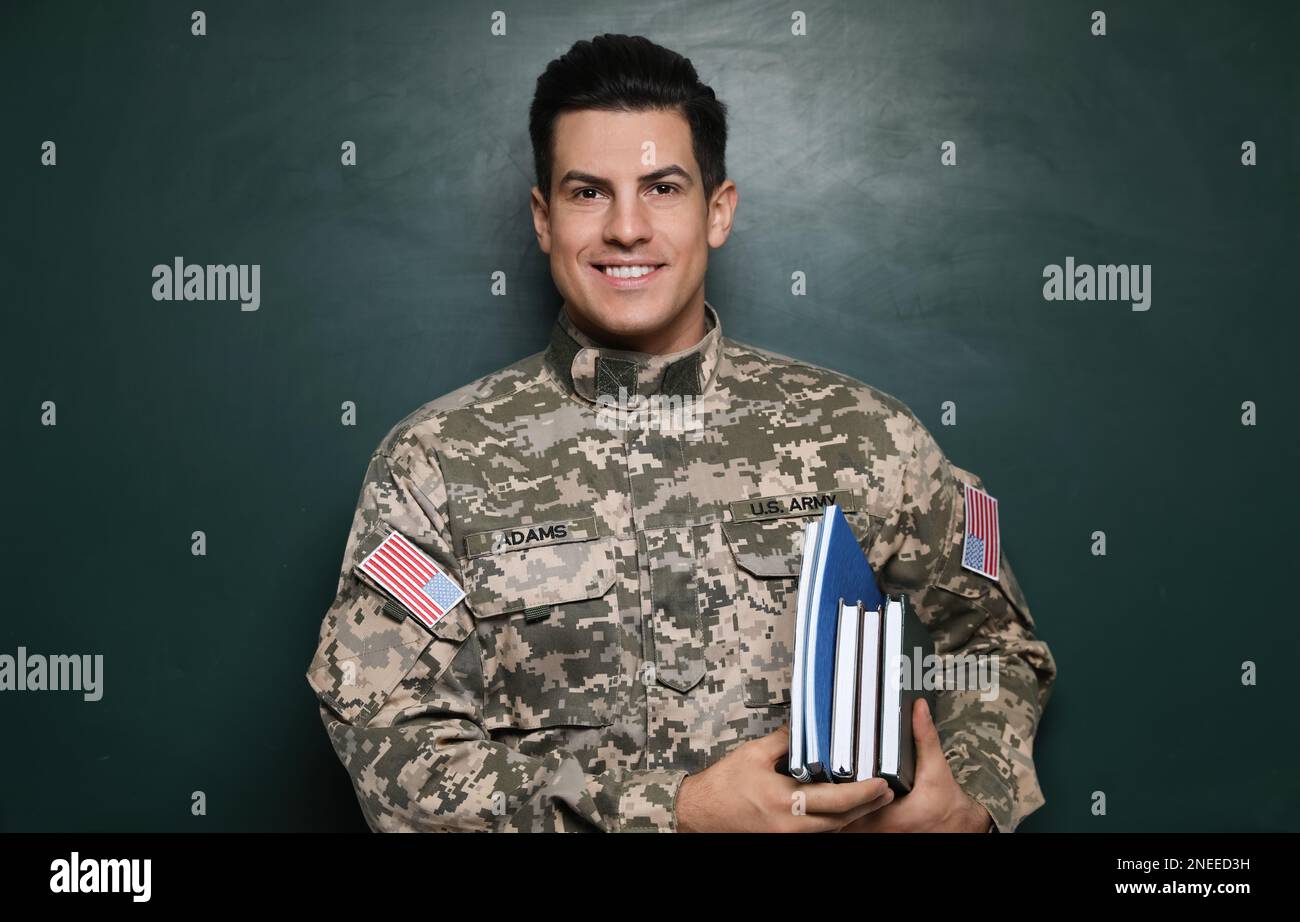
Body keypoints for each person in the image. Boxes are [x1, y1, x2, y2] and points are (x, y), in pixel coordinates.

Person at [306, 33, 1056, 833]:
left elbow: (995, 643)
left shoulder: (867, 437)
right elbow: (388, 742)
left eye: (662, 187)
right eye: (588, 192)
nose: (627, 228)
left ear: (718, 210)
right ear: (541, 218)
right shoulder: (432, 467)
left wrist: (971, 796)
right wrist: (673, 815)